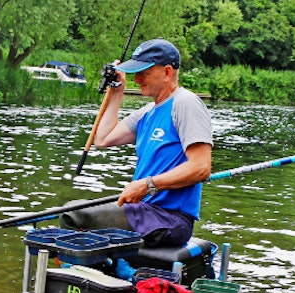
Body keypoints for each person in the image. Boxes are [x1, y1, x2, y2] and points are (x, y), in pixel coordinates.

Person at [63, 38, 212, 247]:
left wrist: (147, 184)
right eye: (135, 73)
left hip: (169, 218)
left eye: (144, 73)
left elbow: (201, 167)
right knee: (70, 214)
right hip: (144, 212)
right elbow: (103, 139)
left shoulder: (185, 103)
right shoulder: (148, 112)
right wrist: (117, 91)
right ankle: (108, 270)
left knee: (74, 215)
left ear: (167, 72)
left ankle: (103, 271)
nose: (137, 79)